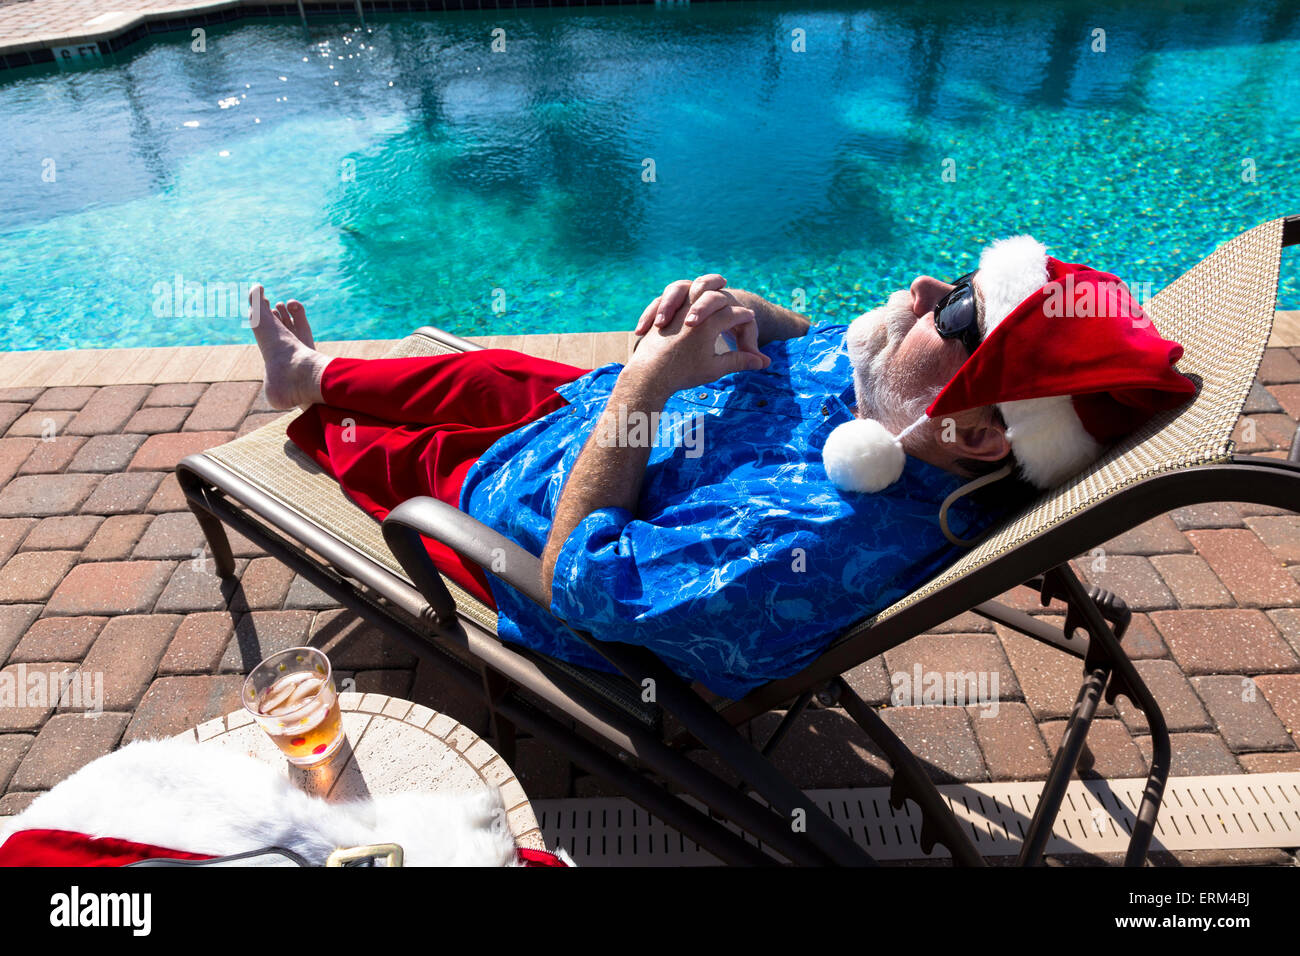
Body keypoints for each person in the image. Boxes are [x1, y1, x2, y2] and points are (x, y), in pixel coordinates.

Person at [248, 236, 1196, 698]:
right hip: (615, 424)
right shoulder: (908, 413)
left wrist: (644, 388)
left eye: (954, 314)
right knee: (488, 374)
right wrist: (742, 310)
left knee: (389, 446)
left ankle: (319, 413)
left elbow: (583, 577)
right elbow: (813, 337)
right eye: (954, 279)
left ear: (983, 437)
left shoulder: (811, 540)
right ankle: (310, 373)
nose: (921, 291)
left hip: (525, 513)